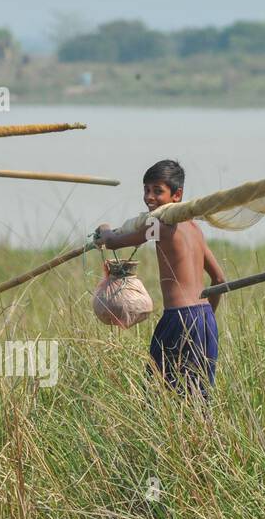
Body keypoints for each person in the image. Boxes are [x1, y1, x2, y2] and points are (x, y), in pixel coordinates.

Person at [94, 159, 226, 399]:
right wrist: (208, 318)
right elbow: (219, 278)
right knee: (197, 397)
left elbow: (114, 242)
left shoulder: (159, 225)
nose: (149, 197)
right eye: (146, 190)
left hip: (178, 319)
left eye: (158, 191)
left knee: (158, 395)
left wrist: (103, 231)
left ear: (177, 195)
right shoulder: (195, 229)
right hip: (204, 320)